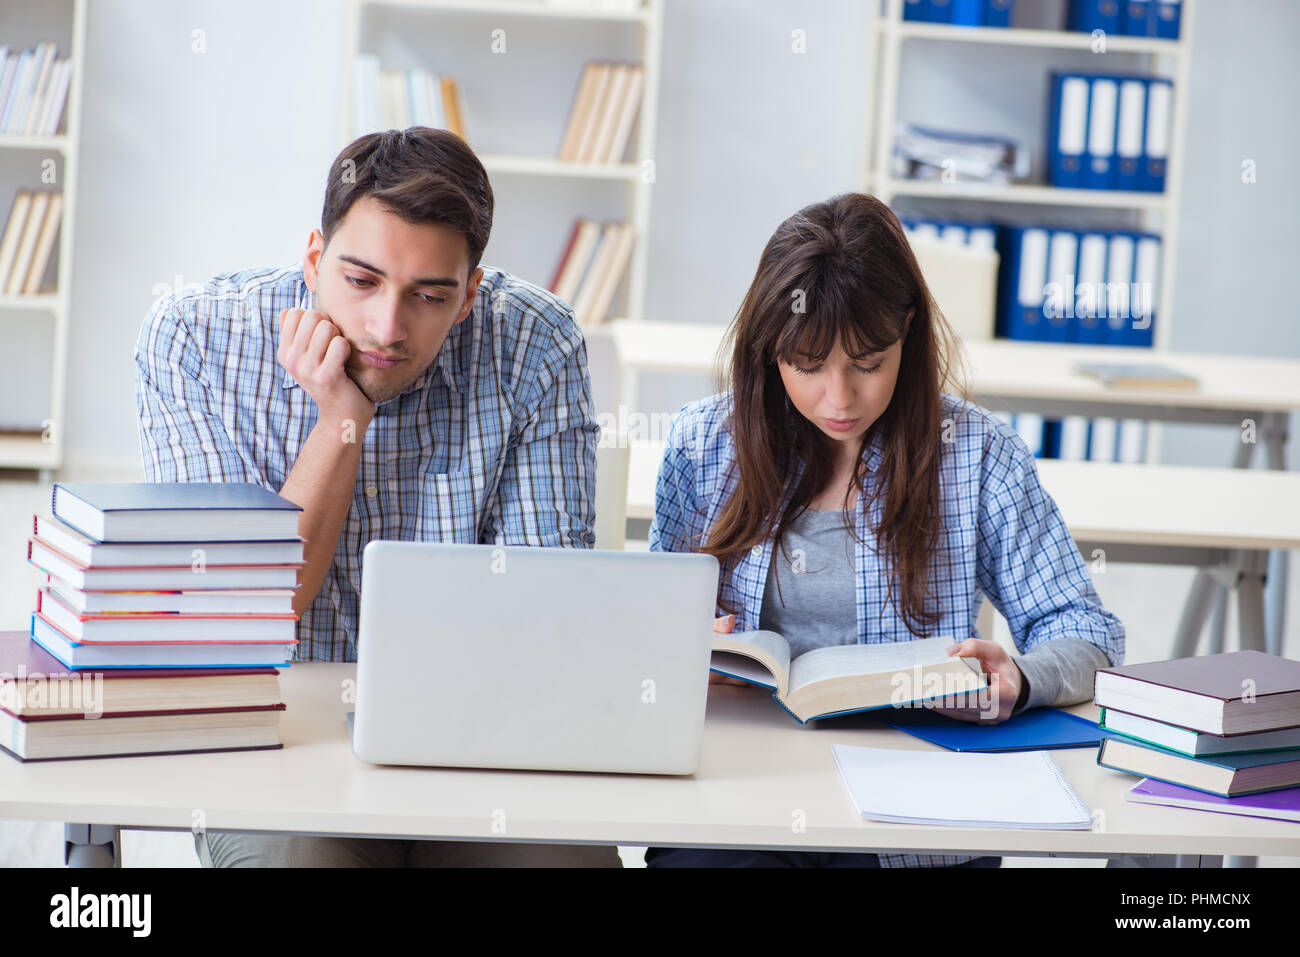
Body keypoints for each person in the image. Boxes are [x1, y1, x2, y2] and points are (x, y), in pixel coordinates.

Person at [134, 126, 619, 868]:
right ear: (312, 258)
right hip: (279, 741)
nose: (386, 327)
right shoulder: (193, 339)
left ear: (469, 297)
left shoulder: (533, 343)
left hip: (476, 744)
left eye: (429, 295)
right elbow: (243, 609)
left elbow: (541, 615)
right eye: (359, 281)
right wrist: (341, 420)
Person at [645, 192, 1126, 868]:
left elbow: (1091, 632)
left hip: (919, 817)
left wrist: (1019, 674)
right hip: (741, 801)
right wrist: (689, 651)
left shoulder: (975, 452)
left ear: (906, 330)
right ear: (767, 349)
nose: (839, 399)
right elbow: (649, 631)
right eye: (806, 366)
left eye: (868, 363)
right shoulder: (704, 444)